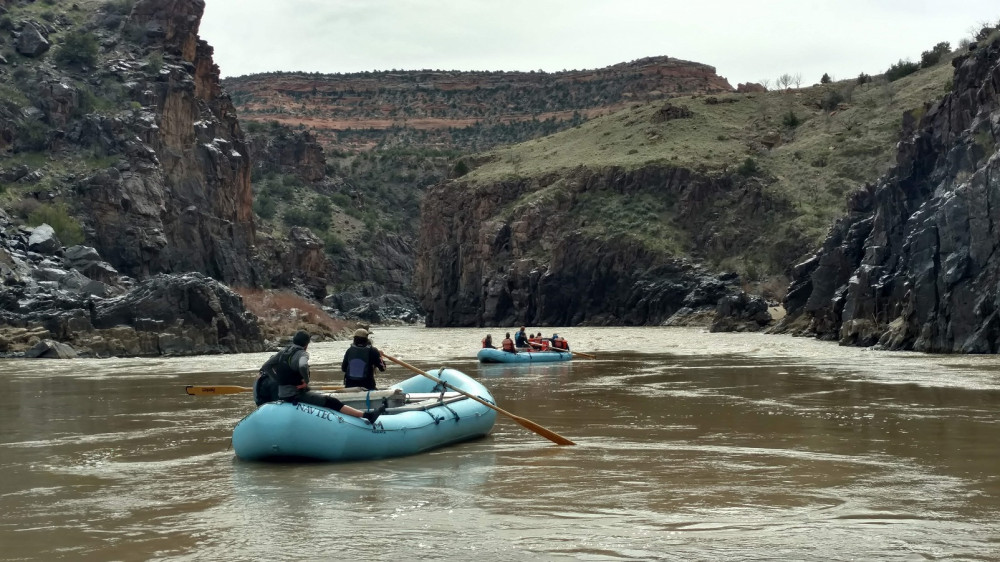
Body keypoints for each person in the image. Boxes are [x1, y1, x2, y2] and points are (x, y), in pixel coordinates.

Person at [257, 330, 383, 423]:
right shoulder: (302, 353)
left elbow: (266, 366)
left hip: (283, 393)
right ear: (306, 344)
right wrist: (306, 381)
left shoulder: (283, 352)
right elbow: (302, 365)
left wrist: (279, 381)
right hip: (296, 395)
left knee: (319, 397)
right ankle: (366, 416)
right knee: (332, 401)